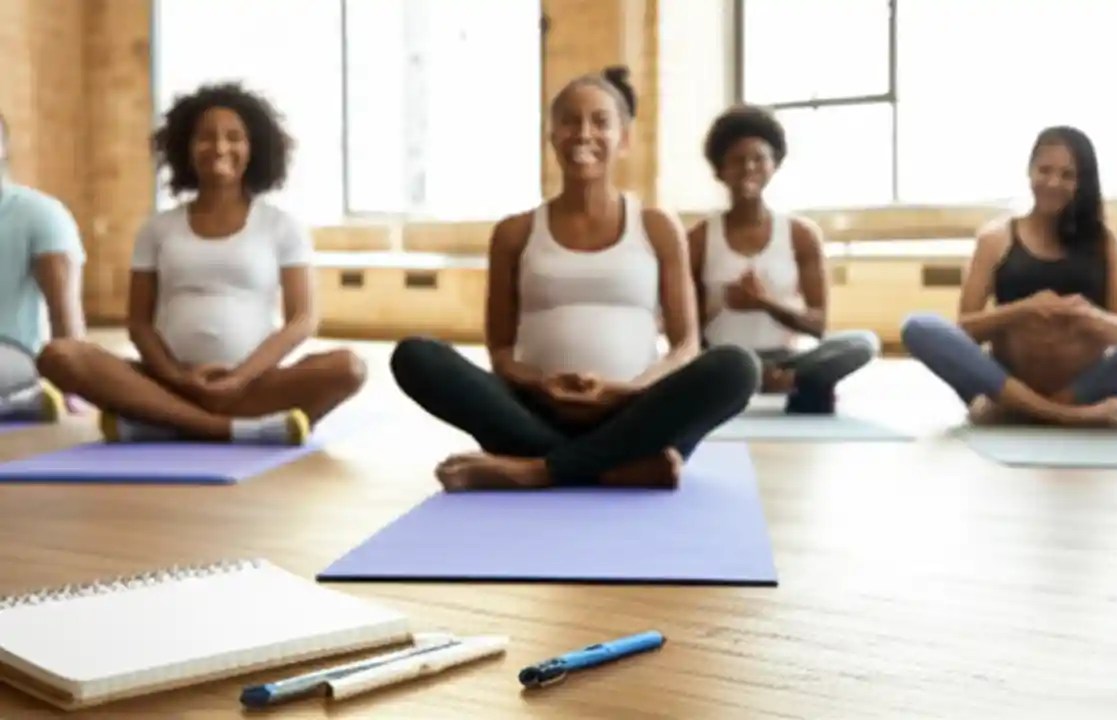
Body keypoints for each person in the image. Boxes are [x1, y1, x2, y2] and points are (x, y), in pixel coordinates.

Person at [389, 66, 759, 491]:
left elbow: (686, 345)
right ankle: (615, 466)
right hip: (536, 409)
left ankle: (538, 468)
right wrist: (541, 384)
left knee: (736, 368)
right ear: (552, 136)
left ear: (625, 139)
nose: (584, 133)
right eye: (569, 120)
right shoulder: (515, 232)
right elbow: (502, 352)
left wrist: (628, 391)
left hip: (636, 409)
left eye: (601, 121)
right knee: (416, 356)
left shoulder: (657, 226)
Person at [37, 82, 366, 444]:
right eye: (205, 137)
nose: (220, 147)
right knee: (60, 355)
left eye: (234, 137)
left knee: (347, 368)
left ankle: (162, 422)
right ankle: (223, 428)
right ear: (186, 149)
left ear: (253, 148)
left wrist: (240, 377)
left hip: (252, 385)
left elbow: (302, 319)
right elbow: (139, 323)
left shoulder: (281, 227)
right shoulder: (158, 228)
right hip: (167, 383)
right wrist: (178, 377)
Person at [900, 125, 1117, 426]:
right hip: (1005, 381)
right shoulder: (995, 237)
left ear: (1083, 182)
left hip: (1080, 386)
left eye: (1068, 175)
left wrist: (1088, 316)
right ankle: (1066, 415)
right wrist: (1024, 309)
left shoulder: (1105, 240)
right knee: (919, 326)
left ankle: (1027, 409)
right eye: (1044, 170)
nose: (1053, 182)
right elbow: (966, 330)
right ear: (1029, 172)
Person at [689, 104, 879, 414]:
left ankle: (784, 379)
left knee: (862, 343)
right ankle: (767, 382)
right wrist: (720, 302)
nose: (749, 167)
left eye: (758, 159)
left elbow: (819, 325)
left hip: (785, 358)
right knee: (675, 365)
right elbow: (683, 330)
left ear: (773, 165)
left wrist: (765, 303)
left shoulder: (800, 233)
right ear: (720, 170)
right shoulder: (698, 238)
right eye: (737, 160)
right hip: (724, 359)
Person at [0, 110, 85, 423]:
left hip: (16, 352)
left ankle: (31, 395)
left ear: (3, 147)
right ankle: (21, 403)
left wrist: (77, 385)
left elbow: (65, 312)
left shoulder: (40, 213)